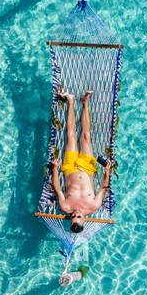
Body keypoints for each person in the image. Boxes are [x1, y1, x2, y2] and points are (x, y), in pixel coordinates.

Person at [49, 90, 114, 232]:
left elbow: (58, 188)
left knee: (70, 136)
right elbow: (104, 187)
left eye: (73, 218)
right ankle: (85, 103)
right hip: (87, 168)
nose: (76, 215)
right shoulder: (93, 206)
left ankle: (71, 101)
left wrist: (54, 168)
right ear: (84, 221)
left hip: (70, 167)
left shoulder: (66, 206)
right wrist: (107, 171)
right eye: (79, 217)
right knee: (85, 136)